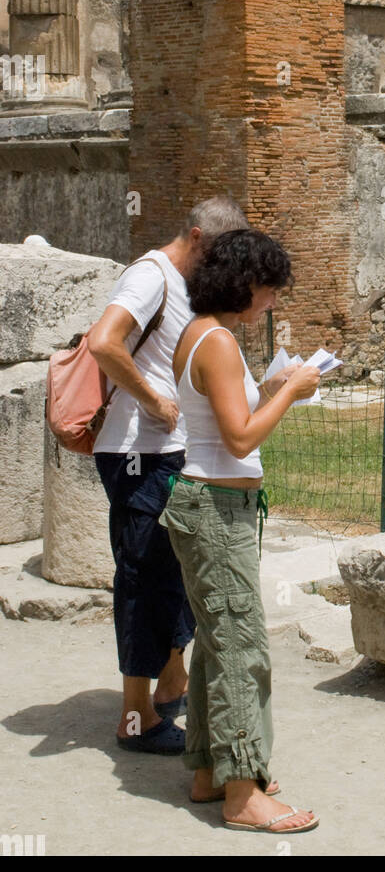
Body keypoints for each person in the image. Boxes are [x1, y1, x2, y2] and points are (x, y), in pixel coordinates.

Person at [162, 228, 321, 832]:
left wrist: (274, 389)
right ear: (247, 285)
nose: (273, 303)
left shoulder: (196, 332)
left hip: (206, 504)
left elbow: (226, 418)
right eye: (271, 291)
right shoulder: (220, 343)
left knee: (215, 641)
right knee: (240, 647)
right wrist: (295, 392)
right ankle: (241, 791)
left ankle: (208, 769)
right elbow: (241, 437)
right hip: (216, 512)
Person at [88, 196, 249, 754]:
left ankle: (168, 683)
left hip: (167, 454)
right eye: (219, 255)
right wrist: (152, 399)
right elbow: (102, 342)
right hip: (137, 454)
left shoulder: (183, 286)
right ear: (199, 237)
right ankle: (135, 716)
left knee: (174, 573)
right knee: (141, 580)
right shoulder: (150, 276)